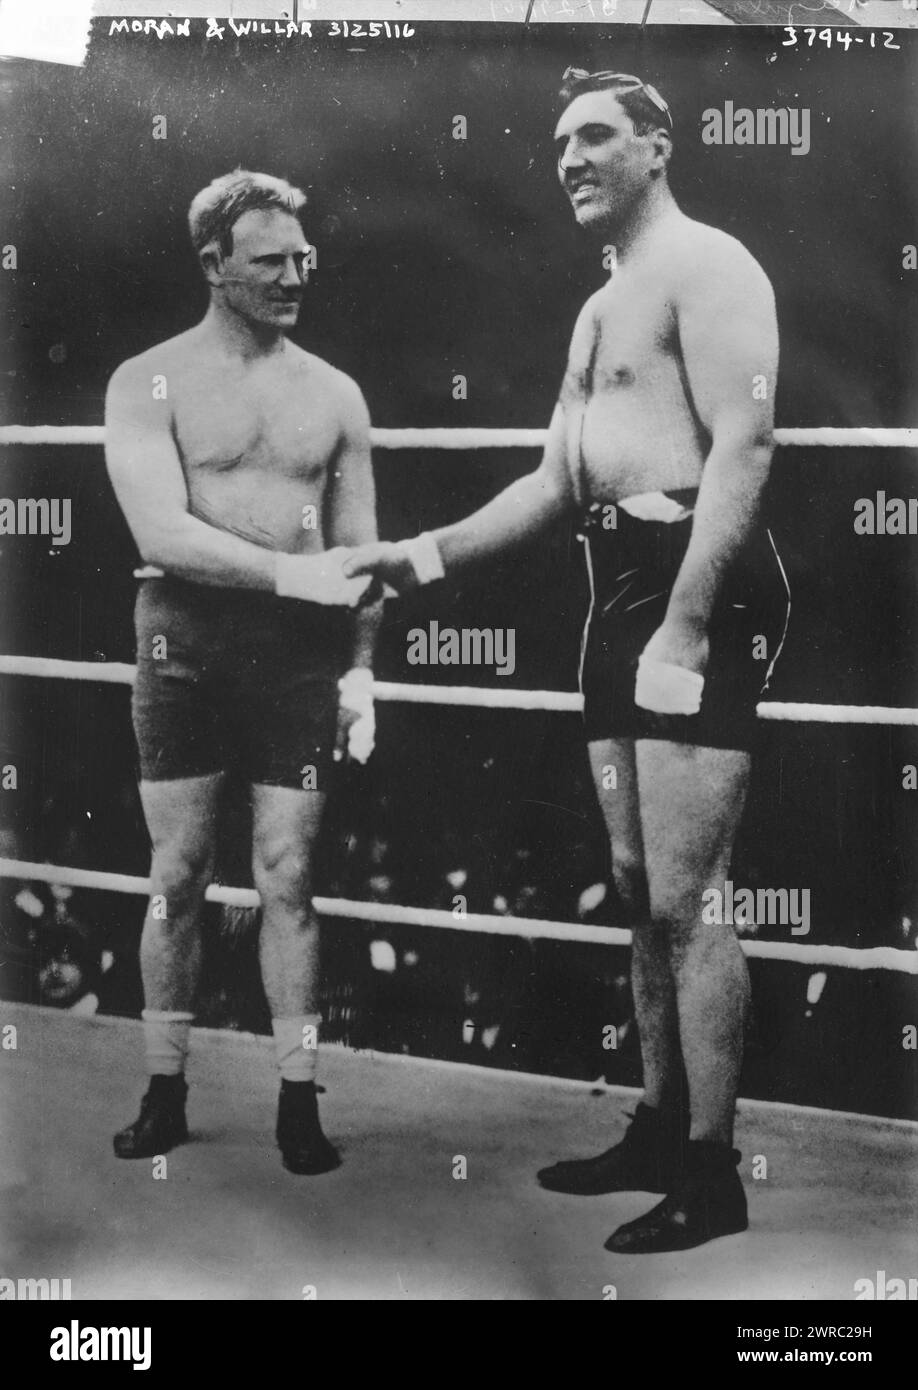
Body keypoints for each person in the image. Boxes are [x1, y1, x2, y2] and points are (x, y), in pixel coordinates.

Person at [345, 70, 790, 1250]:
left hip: (697, 582)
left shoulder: (711, 265)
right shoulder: (602, 304)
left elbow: (746, 443)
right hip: (616, 592)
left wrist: (687, 625)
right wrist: (423, 557)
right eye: (556, 143)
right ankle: (658, 1124)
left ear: (659, 145)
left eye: (595, 135)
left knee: (692, 898)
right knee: (643, 888)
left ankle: (711, 1172)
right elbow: (552, 480)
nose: (569, 157)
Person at [104, 170, 381, 1174]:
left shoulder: (335, 393)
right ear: (214, 264)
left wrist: (362, 673)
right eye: (269, 260)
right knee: (176, 873)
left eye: (303, 258)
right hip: (183, 643)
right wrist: (289, 573)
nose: (293, 275)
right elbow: (161, 531)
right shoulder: (148, 379)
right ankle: (165, 1084)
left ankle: (298, 1098)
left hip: (297, 659)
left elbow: (363, 555)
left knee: (289, 876)